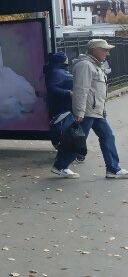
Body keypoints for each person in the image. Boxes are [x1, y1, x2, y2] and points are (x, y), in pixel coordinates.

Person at [55, 38, 128, 179]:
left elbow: (97, 91)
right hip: (87, 112)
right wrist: (79, 111)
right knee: (77, 140)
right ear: (94, 50)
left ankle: (113, 169)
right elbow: (81, 90)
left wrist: (102, 109)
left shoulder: (95, 65)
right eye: (105, 50)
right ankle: (61, 166)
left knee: (107, 137)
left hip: (95, 111)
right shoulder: (85, 65)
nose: (107, 53)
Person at [45, 52, 86, 169]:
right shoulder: (56, 72)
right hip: (61, 106)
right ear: (63, 60)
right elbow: (52, 88)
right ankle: (69, 153)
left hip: (67, 105)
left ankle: (73, 152)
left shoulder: (60, 71)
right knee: (65, 129)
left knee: (69, 129)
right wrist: (68, 93)